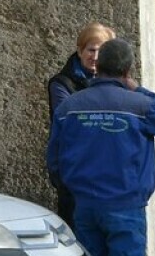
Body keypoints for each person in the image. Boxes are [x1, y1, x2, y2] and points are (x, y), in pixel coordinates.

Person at [46, 38, 155, 256]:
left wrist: (71, 188)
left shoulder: (69, 107)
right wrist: (138, 89)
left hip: (85, 205)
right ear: (127, 70)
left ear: (97, 66)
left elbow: (54, 158)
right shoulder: (140, 105)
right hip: (126, 205)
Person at [46, 21, 116, 222]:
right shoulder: (62, 84)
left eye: (102, 51)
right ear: (79, 50)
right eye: (91, 50)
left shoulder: (116, 81)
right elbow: (73, 123)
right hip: (76, 174)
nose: (95, 57)